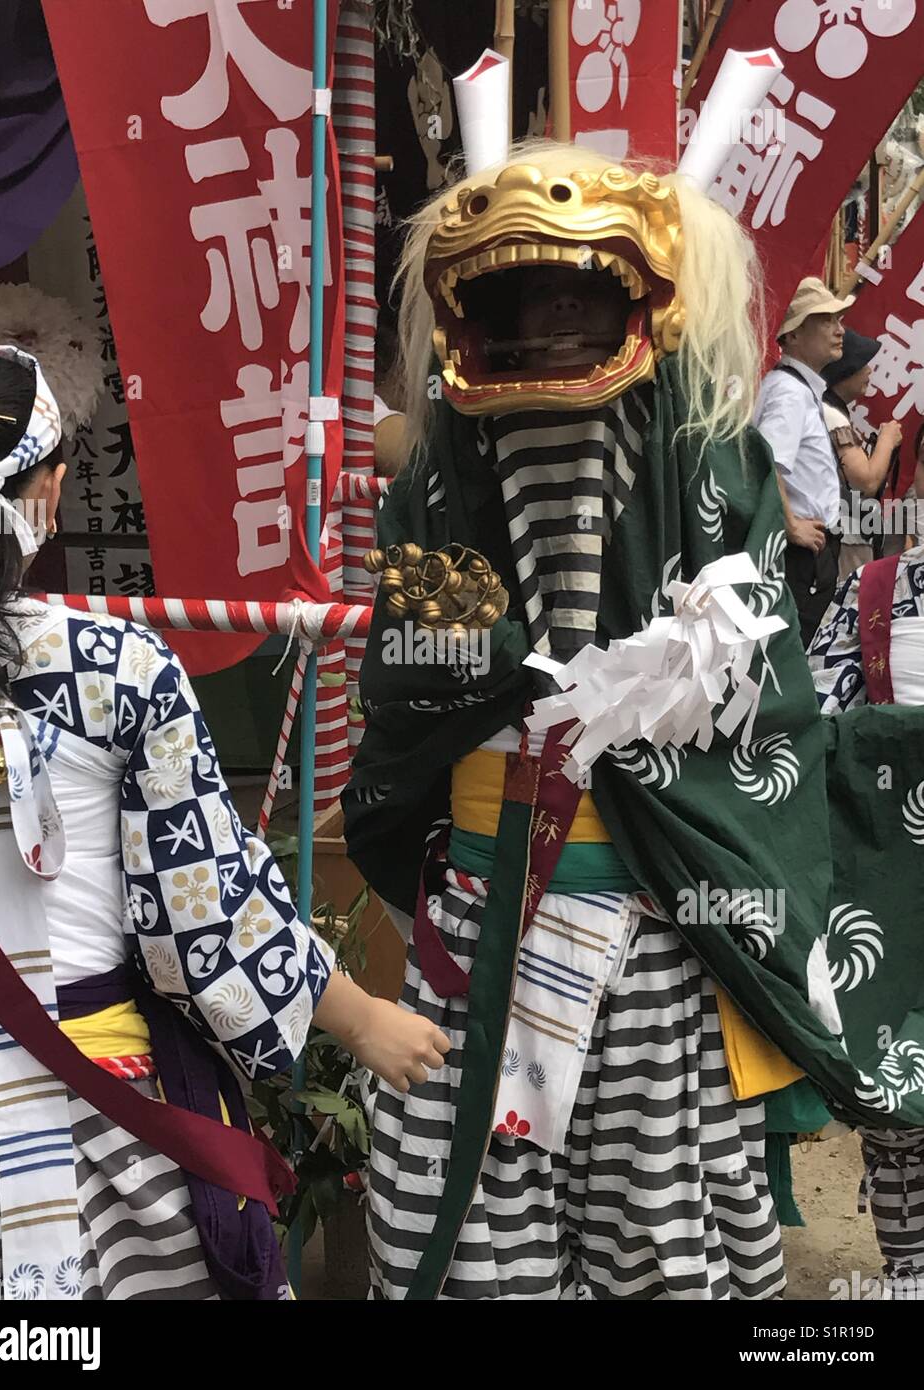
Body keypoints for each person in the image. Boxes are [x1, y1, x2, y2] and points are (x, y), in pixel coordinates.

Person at [343, 141, 924, 1302]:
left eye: (578, 296)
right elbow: (402, 688)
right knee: (471, 1241)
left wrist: (687, 659)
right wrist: (507, 667)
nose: (553, 322)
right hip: (485, 915)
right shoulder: (440, 466)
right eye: (525, 298)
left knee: (657, 1244)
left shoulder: (713, 456)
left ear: (641, 302)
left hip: (660, 927)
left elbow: (765, 701)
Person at [0, 343, 448, 1302]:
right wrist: (360, 1016)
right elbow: (200, 917)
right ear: (49, 494)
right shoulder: (113, 666)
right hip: (90, 1126)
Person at [809, 543, 924, 1299]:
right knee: (898, 1104)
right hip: (892, 903)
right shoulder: (872, 590)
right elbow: (804, 728)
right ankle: (908, 1271)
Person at [753, 277, 854, 646]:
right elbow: (768, 461)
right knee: (796, 645)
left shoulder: (798, 389)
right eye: (825, 320)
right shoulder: (789, 392)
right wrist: (791, 524)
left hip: (807, 545)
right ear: (793, 334)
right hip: (797, 550)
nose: (838, 329)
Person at [820, 328, 902, 579]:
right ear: (844, 372)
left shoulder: (830, 410)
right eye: (863, 364)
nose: (869, 371)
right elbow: (866, 481)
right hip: (844, 537)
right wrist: (886, 441)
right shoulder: (830, 413)